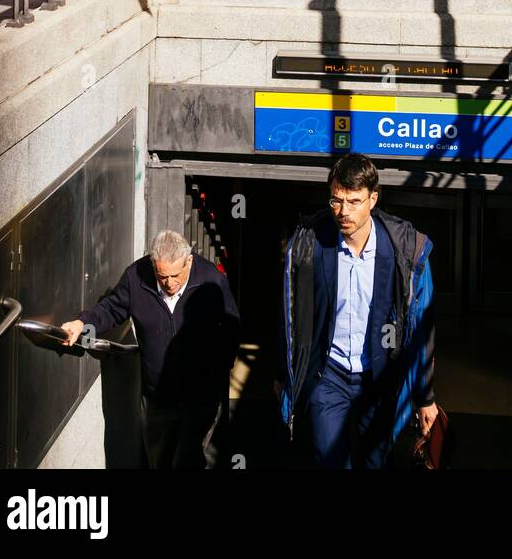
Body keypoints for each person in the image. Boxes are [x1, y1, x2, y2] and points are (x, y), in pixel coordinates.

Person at [275, 152, 438, 469]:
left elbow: (422, 326)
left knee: (376, 461)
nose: (343, 211)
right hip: (328, 375)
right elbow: (289, 312)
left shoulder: (404, 249)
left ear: (373, 199)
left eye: (354, 201)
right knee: (328, 458)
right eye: (336, 200)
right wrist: (284, 372)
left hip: (378, 378)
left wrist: (425, 396)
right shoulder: (309, 243)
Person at [61, 229, 240, 470]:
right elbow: (111, 309)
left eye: (176, 275)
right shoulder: (136, 277)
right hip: (157, 397)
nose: (169, 283)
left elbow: (230, 328)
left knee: (188, 461)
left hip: (200, 396)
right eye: (161, 276)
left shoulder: (211, 281)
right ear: (153, 263)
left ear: (189, 261)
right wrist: (82, 323)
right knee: (160, 460)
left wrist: (218, 370)